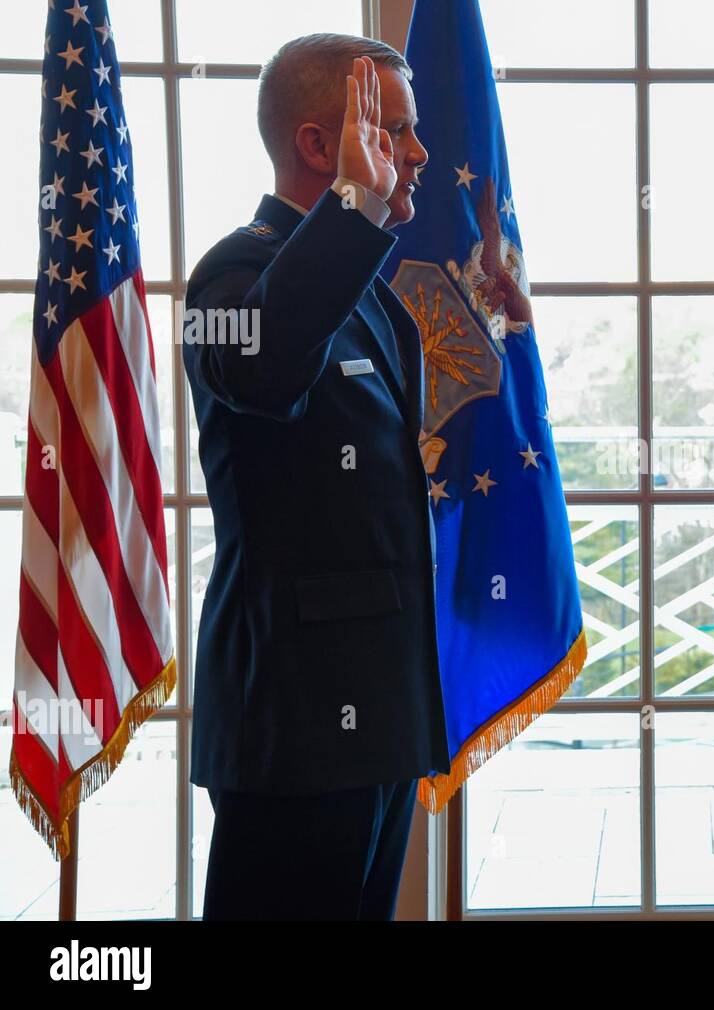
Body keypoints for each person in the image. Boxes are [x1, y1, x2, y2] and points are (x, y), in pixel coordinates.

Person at [183, 34, 441, 920]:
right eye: (396, 132)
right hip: (295, 722)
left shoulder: (365, 284)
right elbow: (265, 368)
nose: (417, 155)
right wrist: (355, 213)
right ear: (318, 147)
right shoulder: (231, 272)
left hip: (375, 710)